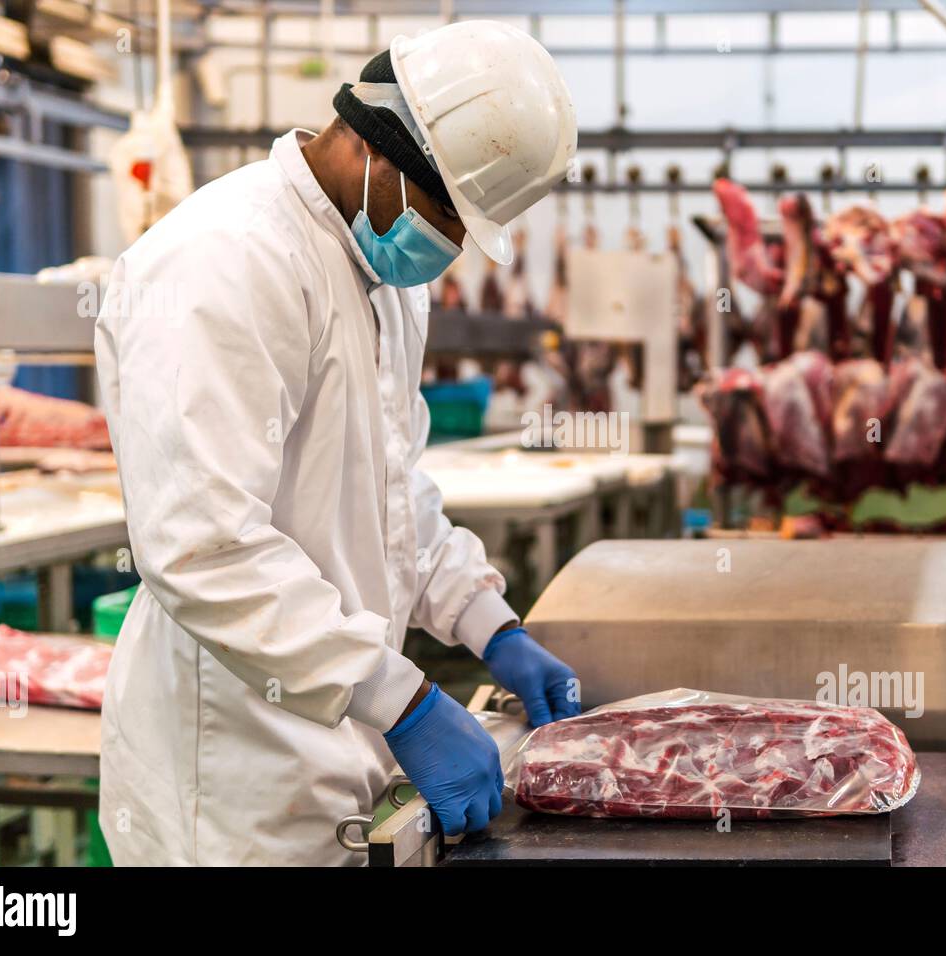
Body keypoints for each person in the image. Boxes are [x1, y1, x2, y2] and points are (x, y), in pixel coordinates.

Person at [94, 20, 581, 865]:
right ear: (381, 158)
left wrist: (487, 622)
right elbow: (204, 547)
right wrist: (406, 701)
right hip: (232, 785)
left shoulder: (378, 274)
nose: (453, 248)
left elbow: (395, 488)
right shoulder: (224, 261)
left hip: (342, 752)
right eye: (448, 218)